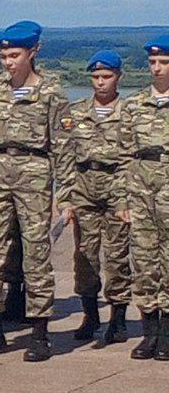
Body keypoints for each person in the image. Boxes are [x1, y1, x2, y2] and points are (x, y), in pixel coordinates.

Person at [0, 22, 76, 362]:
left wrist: (66, 196)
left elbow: (63, 147)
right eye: (3, 56)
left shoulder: (51, 93)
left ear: (33, 52)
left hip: (34, 174)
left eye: (15, 55)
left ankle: (39, 333)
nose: (8, 62)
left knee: (35, 255)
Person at [69, 50, 131, 345]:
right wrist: (65, 198)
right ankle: (89, 314)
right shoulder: (78, 112)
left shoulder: (129, 113)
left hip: (117, 189)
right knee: (85, 255)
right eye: (95, 77)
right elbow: (66, 156)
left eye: (106, 77)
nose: (100, 83)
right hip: (84, 189)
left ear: (118, 77)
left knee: (117, 257)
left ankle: (117, 318)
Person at [121, 36, 169, 361]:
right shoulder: (134, 104)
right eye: (152, 62)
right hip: (140, 190)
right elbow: (124, 155)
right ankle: (149, 329)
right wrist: (123, 200)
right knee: (143, 259)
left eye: (163, 62)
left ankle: (166, 332)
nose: (157, 68)